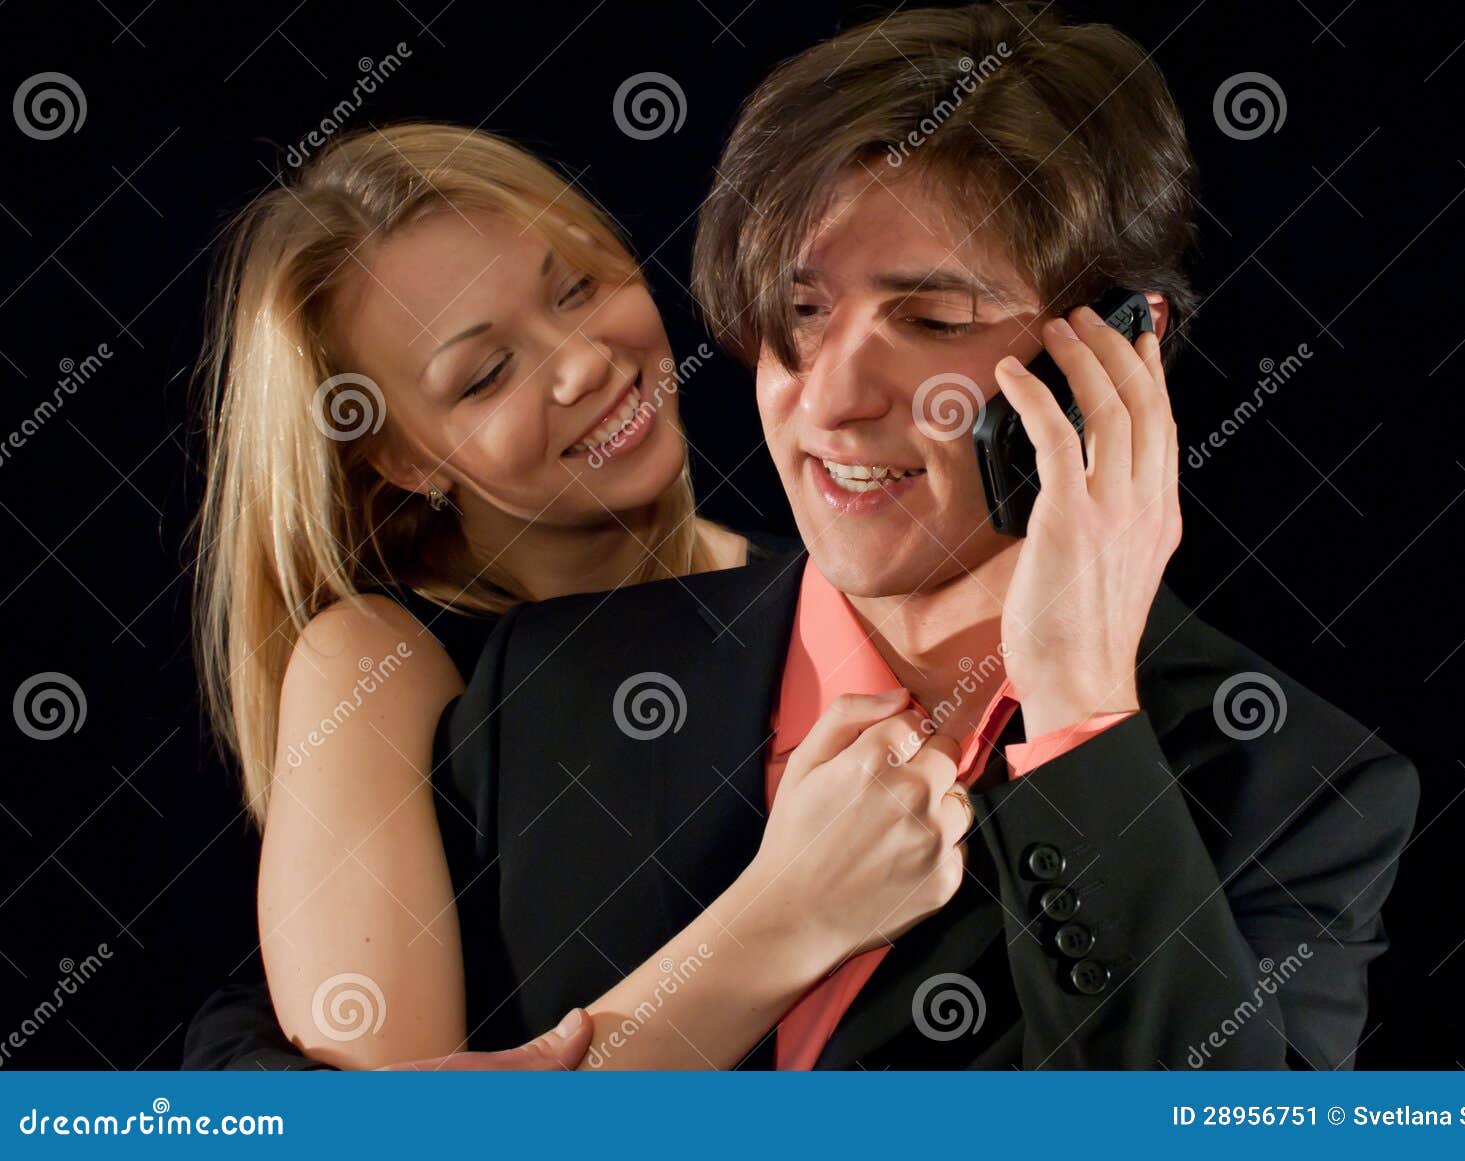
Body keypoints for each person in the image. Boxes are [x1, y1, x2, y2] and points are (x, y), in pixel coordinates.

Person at [189, 1, 1419, 1071]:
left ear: (1112, 347)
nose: (830, 397)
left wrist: (1081, 714)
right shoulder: (514, 687)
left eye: (932, 316)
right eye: (799, 310)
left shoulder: (1300, 791)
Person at [183, 121, 971, 1069]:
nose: (584, 362)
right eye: (484, 375)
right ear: (401, 457)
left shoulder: (828, 579)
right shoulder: (377, 663)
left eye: (578, 288)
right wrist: (795, 915)